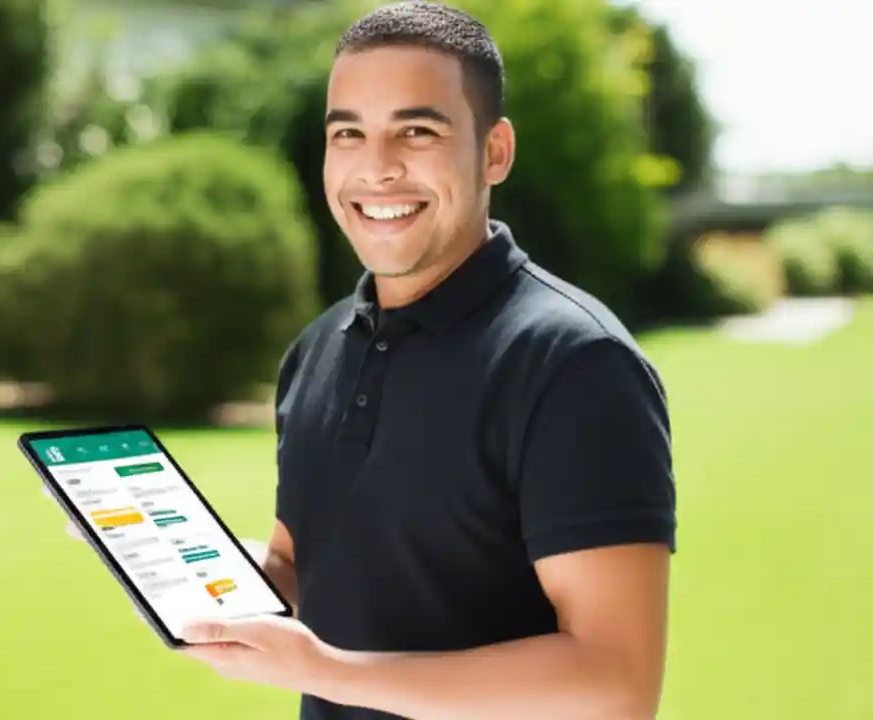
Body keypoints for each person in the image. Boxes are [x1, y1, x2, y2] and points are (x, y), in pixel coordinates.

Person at [59, 2, 677, 718]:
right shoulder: (317, 351)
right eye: (348, 134)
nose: (376, 168)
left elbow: (614, 681)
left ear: (495, 151)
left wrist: (331, 671)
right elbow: (300, 565)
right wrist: (180, 566)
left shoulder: (577, 364)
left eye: (417, 130)